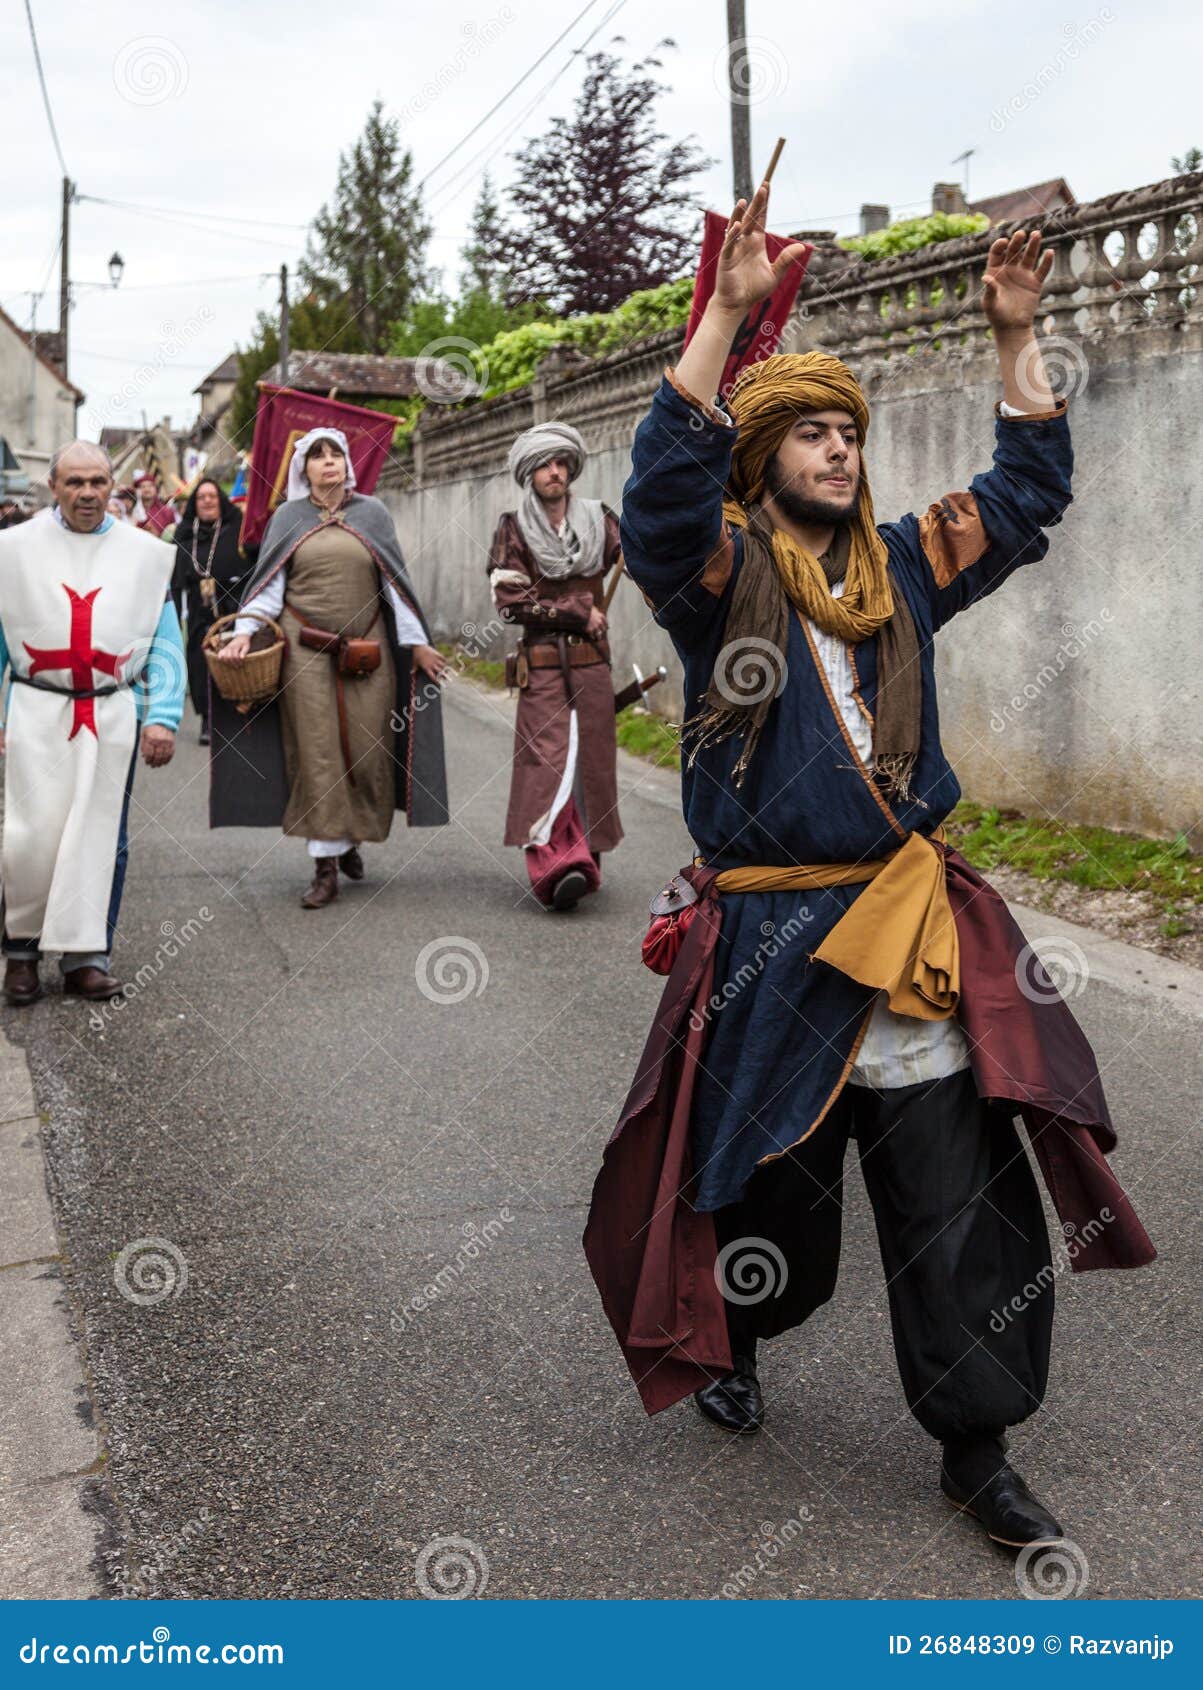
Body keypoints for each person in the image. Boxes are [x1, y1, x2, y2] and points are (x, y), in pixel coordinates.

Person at [584, 184, 1156, 1552]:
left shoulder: (902, 565)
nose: (836, 452)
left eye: (848, 433)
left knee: (948, 1190)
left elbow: (1025, 496)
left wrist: (1016, 336)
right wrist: (725, 313)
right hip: (774, 948)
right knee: (766, 1181)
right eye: (810, 435)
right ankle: (736, 1337)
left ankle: (976, 1442)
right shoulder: (713, 572)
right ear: (765, 454)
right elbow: (657, 500)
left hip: (905, 925)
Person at [210, 428, 449, 907]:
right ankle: (324, 867)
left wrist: (417, 644)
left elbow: (393, 582)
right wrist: (241, 636)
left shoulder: (372, 514)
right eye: (316, 456)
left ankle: (350, 838)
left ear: (347, 463)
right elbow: (268, 589)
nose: (327, 463)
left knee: (366, 749)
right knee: (317, 753)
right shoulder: (289, 518)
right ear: (304, 470)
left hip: (368, 650)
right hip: (304, 651)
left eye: (334, 453)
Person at [0, 442, 184, 1004]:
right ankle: (22, 955)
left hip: (111, 709)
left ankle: (86, 957)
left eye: (98, 482)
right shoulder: (12, 550)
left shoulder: (145, 554)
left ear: (113, 487)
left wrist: (164, 716)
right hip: (36, 708)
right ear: (53, 485)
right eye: (75, 482)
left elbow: (165, 639)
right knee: (31, 834)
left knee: (104, 833)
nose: (87, 493)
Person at [487, 423, 623, 911]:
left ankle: (588, 859)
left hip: (592, 666)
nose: (555, 472)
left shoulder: (598, 519)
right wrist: (577, 611)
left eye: (561, 463)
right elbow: (509, 602)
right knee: (545, 766)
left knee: (593, 764)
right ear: (530, 473)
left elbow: (638, 555)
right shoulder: (513, 527)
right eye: (545, 464)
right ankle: (554, 868)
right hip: (542, 667)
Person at [170, 478, 249, 745]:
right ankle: (208, 719)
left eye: (212, 496)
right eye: (201, 497)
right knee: (200, 661)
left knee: (231, 659)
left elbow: (249, 560)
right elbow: (175, 571)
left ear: (220, 500)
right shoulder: (185, 533)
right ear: (195, 502)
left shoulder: (235, 528)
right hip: (197, 607)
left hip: (231, 605)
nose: (207, 501)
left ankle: (236, 716)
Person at [135, 470, 176, 538]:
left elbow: (173, 535)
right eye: (143, 487)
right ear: (138, 491)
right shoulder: (132, 511)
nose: (147, 489)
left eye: (150, 486)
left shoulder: (167, 512)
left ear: (155, 489)